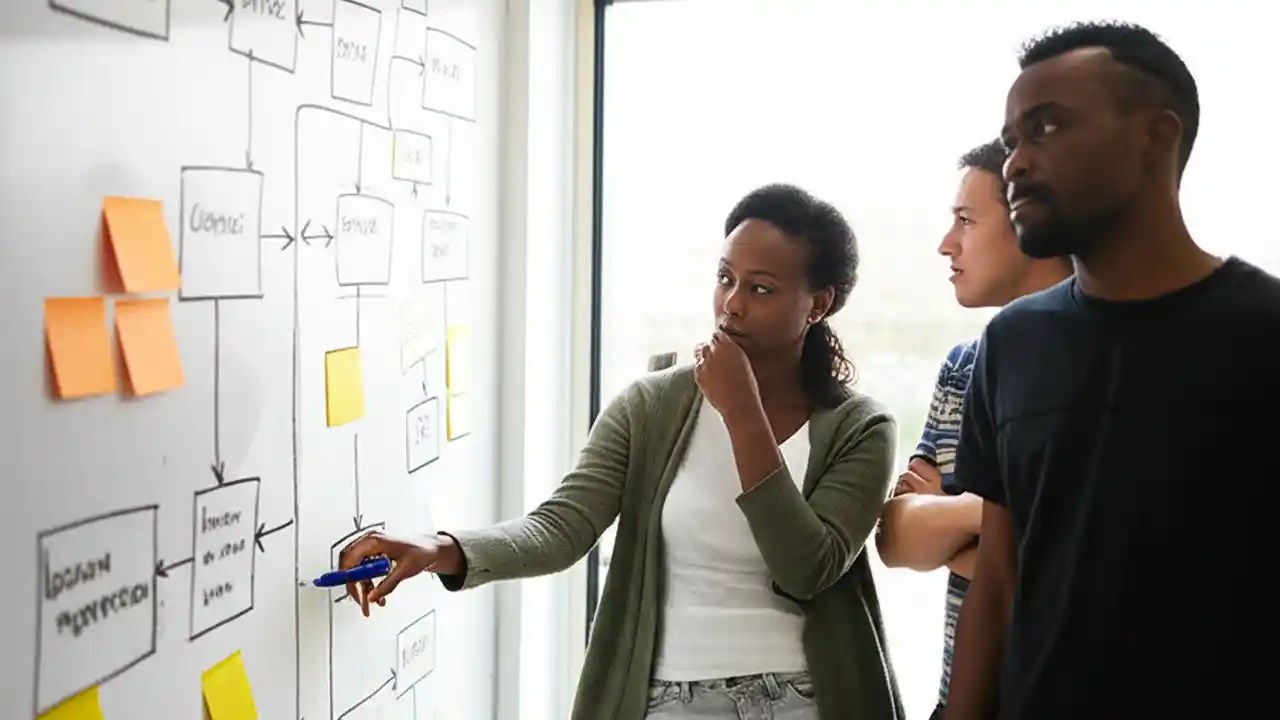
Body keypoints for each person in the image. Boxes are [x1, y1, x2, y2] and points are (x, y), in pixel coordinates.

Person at [338, 183, 907, 720]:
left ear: (818, 304)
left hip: (804, 699)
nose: (731, 305)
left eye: (760, 289)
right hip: (666, 699)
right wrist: (439, 548)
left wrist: (741, 412)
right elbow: (560, 529)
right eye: (724, 278)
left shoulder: (861, 428)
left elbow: (807, 568)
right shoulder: (651, 405)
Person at [943, 21, 1280, 720]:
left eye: (1047, 128)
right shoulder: (1011, 344)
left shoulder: (1263, 332)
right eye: (1011, 142)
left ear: (1156, 137)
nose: (1015, 164)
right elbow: (1000, 580)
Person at [874, 139, 1070, 720]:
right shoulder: (967, 366)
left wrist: (956, 525)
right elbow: (896, 538)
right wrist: (998, 514)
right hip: (959, 701)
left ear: (1027, 224)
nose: (946, 243)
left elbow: (1074, 565)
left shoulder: (1107, 364)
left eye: (965, 220)